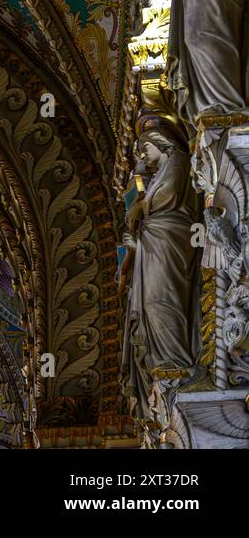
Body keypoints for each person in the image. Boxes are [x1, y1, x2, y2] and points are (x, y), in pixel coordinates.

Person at [120, 117, 202, 408]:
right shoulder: (159, 174)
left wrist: (142, 209)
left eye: (146, 149)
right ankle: (167, 358)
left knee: (161, 300)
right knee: (153, 303)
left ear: (162, 144)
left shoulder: (178, 163)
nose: (143, 156)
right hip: (156, 245)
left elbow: (171, 198)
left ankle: (176, 357)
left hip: (170, 244)